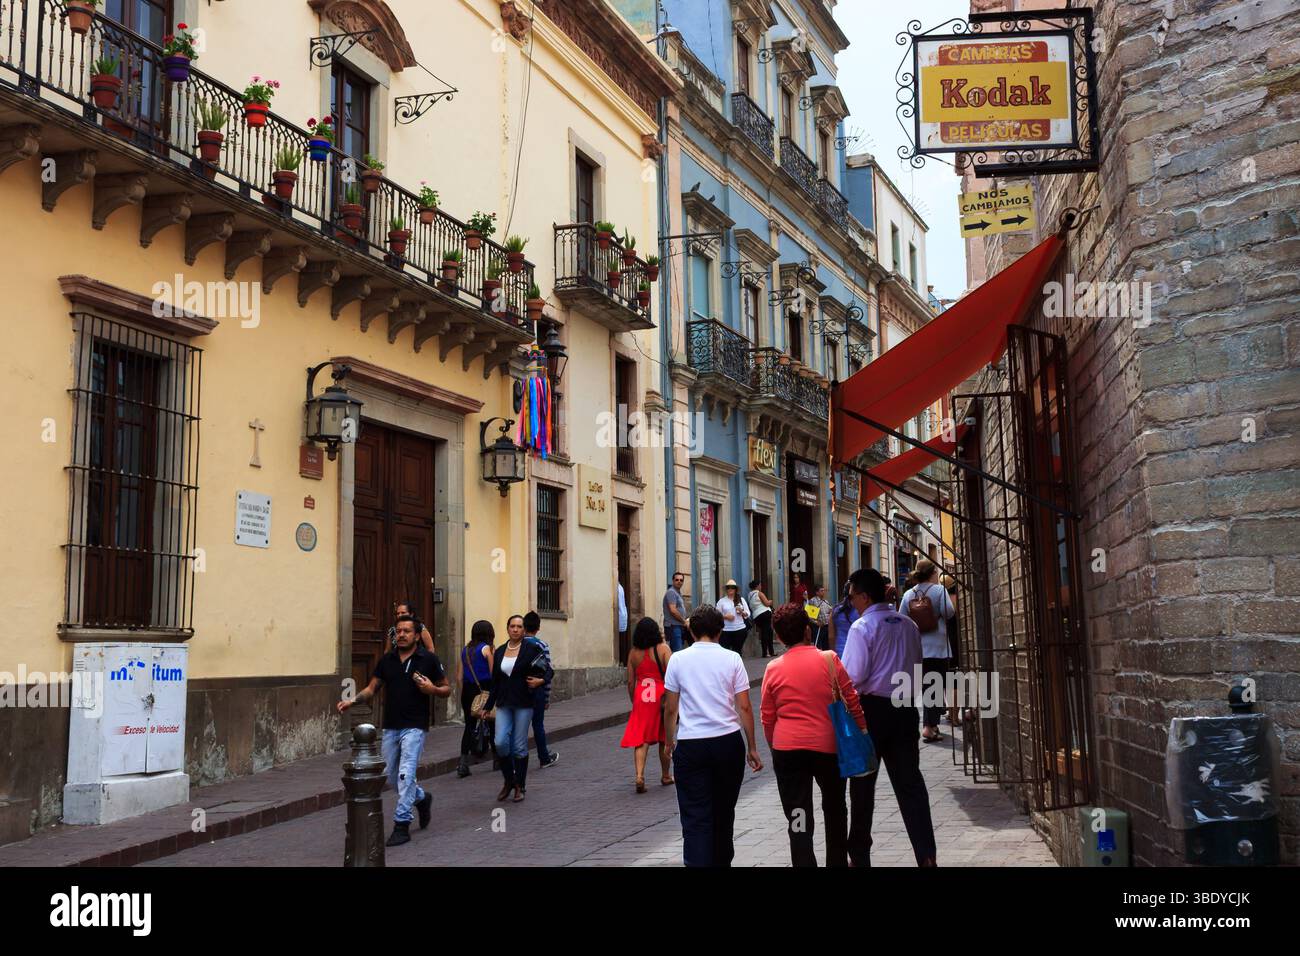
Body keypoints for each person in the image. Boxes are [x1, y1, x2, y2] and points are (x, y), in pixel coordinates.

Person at [841, 568, 937, 867]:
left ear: (865, 596)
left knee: (862, 788)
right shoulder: (909, 624)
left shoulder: (862, 627)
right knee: (911, 785)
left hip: (871, 711)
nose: (851, 602)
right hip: (905, 709)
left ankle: (859, 857)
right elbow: (918, 665)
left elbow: (853, 676)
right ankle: (926, 855)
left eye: (852, 596)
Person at [760, 603, 866, 867]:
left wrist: (774, 745)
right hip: (828, 747)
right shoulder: (830, 659)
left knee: (798, 812)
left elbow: (767, 716)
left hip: (788, 750)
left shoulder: (773, 668)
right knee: (835, 808)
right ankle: (837, 863)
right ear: (808, 630)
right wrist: (863, 731)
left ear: (779, 637)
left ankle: (803, 861)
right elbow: (852, 700)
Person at [337, 615, 451, 846]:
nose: (401, 635)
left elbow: (446, 688)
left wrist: (432, 689)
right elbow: (372, 688)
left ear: (417, 636)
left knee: (406, 774)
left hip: (415, 726)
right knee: (391, 776)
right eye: (398, 631)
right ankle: (421, 798)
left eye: (406, 631)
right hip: (391, 726)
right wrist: (352, 701)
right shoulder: (387, 660)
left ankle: (402, 824)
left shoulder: (427, 659)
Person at [663, 605, 763, 867]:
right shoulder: (732, 659)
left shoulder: (677, 660)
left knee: (695, 815)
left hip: (691, 744)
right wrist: (752, 746)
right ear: (720, 630)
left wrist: (669, 741)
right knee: (723, 811)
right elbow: (744, 707)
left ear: (692, 631)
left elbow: (671, 708)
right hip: (727, 741)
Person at [483, 614, 553, 802]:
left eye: (519, 626)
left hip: (524, 702)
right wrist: (488, 706)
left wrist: (540, 681)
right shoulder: (500, 651)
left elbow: (548, 670)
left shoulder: (532, 649)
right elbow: (495, 681)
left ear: (524, 630)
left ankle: (520, 786)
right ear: (507, 628)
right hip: (504, 702)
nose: (515, 629)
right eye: (512, 626)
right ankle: (509, 780)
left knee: (519, 746)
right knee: (500, 742)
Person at [898, 559, 956, 742]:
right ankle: (929, 727)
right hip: (938, 646)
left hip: (918, 647)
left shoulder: (909, 594)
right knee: (936, 685)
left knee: (927, 686)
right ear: (932, 573)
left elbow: (901, 618)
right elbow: (949, 612)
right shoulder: (939, 590)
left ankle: (931, 725)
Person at [620, 617, 674, 793]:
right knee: (664, 739)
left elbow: (630, 681)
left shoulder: (633, 653)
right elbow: (673, 675)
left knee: (641, 740)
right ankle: (666, 775)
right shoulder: (663, 649)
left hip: (642, 697)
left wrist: (633, 700)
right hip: (661, 697)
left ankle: (639, 776)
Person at [455, 619, 495, 778]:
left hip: (468, 692)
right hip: (485, 690)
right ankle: (497, 759)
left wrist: (464, 693)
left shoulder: (465, 650)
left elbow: (459, 677)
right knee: (492, 723)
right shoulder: (486, 649)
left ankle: (463, 763)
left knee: (469, 727)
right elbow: (493, 674)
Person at [522, 612, 558, 768]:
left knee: (520, 727)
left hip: (520, 691)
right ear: (538, 628)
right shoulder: (542, 645)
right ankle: (544, 757)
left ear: (523, 627)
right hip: (537, 691)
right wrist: (546, 697)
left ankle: (517, 758)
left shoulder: (516, 645)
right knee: (538, 725)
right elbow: (547, 671)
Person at [942, 574, 962, 727]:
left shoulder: (940, 600)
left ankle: (950, 712)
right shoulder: (955, 599)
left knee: (948, 681)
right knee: (955, 682)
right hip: (955, 643)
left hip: (943, 644)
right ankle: (955, 716)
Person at [716, 579, 750, 654]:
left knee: (737, 652)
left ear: (735, 589)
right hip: (726, 631)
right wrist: (725, 617)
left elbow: (748, 614)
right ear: (726, 589)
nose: (730, 589)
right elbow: (716, 615)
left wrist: (742, 612)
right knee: (726, 653)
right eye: (728, 587)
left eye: (732, 587)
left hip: (740, 630)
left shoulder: (741, 600)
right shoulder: (722, 601)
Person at [829, 583, 861, 658]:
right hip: (855, 652)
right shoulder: (859, 610)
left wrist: (833, 654)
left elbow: (831, 637)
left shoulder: (835, 610)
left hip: (839, 651)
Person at [748, 579, 775, 658]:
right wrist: (771, 601)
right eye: (760, 585)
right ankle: (765, 653)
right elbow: (767, 603)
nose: (761, 586)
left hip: (756, 616)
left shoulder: (749, 595)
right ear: (757, 586)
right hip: (764, 614)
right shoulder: (759, 593)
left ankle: (771, 651)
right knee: (766, 633)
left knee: (768, 632)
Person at [663, 571, 688, 652]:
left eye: (681, 580)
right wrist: (684, 621)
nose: (679, 582)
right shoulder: (671, 592)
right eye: (677, 580)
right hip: (673, 626)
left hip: (678, 626)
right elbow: (673, 610)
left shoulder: (677, 593)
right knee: (677, 652)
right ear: (673, 581)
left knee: (678, 651)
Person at [806, 583, 831, 650]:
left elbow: (829, 612)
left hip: (826, 626)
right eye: (821, 591)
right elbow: (809, 615)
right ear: (817, 592)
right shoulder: (812, 601)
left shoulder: (826, 601)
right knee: (818, 646)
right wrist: (816, 622)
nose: (823, 592)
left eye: (824, 590)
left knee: (826, 646)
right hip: (818, 628)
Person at [616, 579, 629, 664]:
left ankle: (622, 661)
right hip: (623, 615)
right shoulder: (620, 587)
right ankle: (623, 661)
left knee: (621, 641)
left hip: (620, 616)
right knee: (622, 639)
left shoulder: (618, 588)